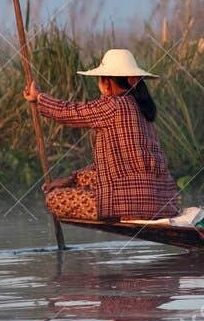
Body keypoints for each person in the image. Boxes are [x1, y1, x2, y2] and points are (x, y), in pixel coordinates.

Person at [23, 48, 180, 221]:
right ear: (133, 80)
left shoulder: (115, 105)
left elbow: (70, 113)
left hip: (133, 204)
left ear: (107, 83)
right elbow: (107, 167)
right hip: (165, 202)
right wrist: (70, 180)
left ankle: (115, 209)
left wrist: (39, 98)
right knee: (87, 178)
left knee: (54, 199)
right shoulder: (141, 109)